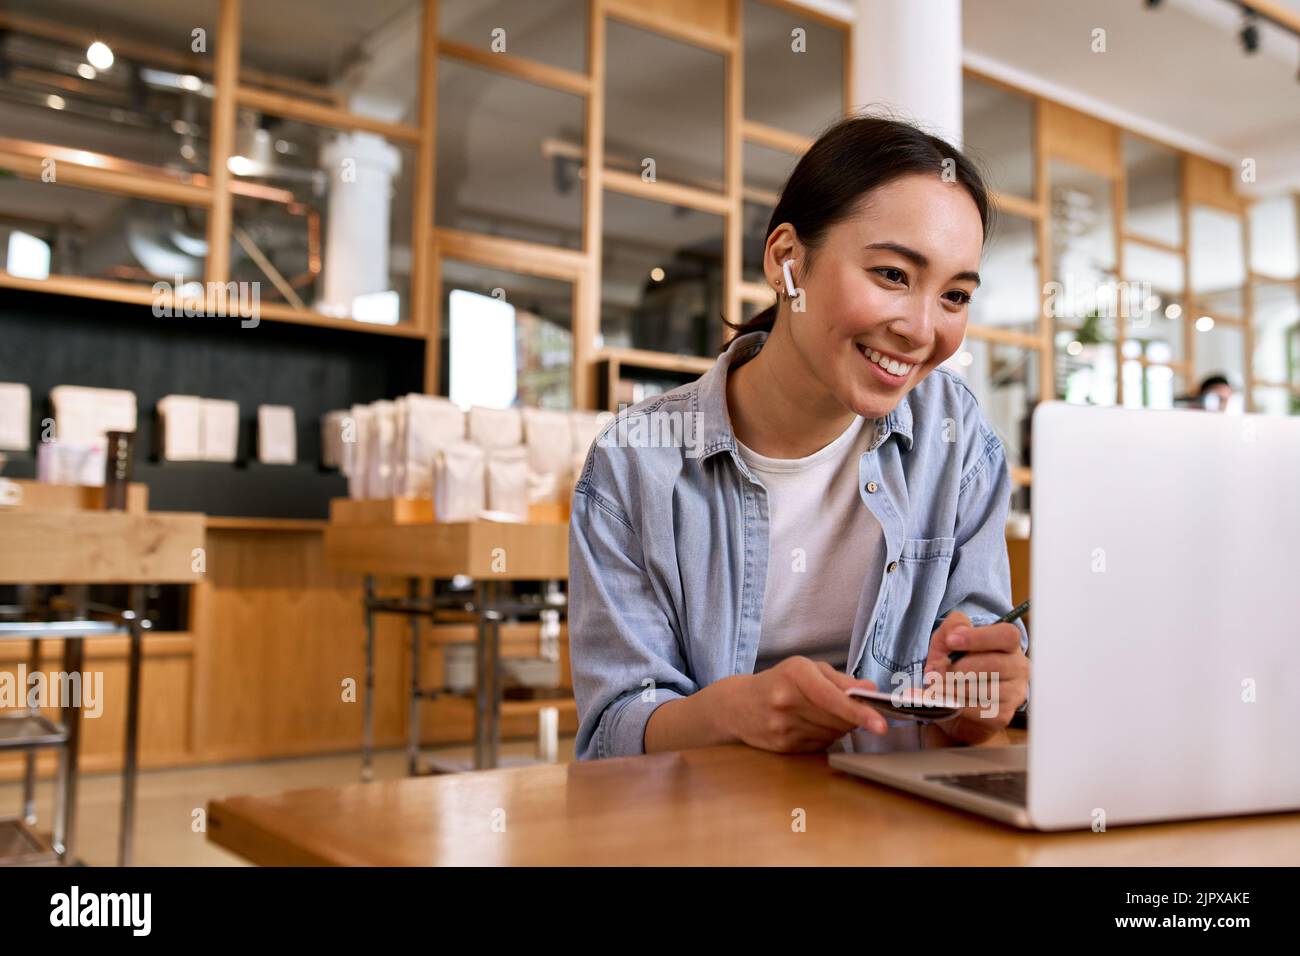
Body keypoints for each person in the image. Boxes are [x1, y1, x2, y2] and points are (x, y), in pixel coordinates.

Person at [568, 115, 1028, 760]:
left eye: (954, 296)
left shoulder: (956, 440)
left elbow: (967, 704)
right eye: (894, 275)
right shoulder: (638, 460)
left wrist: (980, 698)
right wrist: (731, 714)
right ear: (788, 262)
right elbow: (611, 733)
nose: (923, 330)